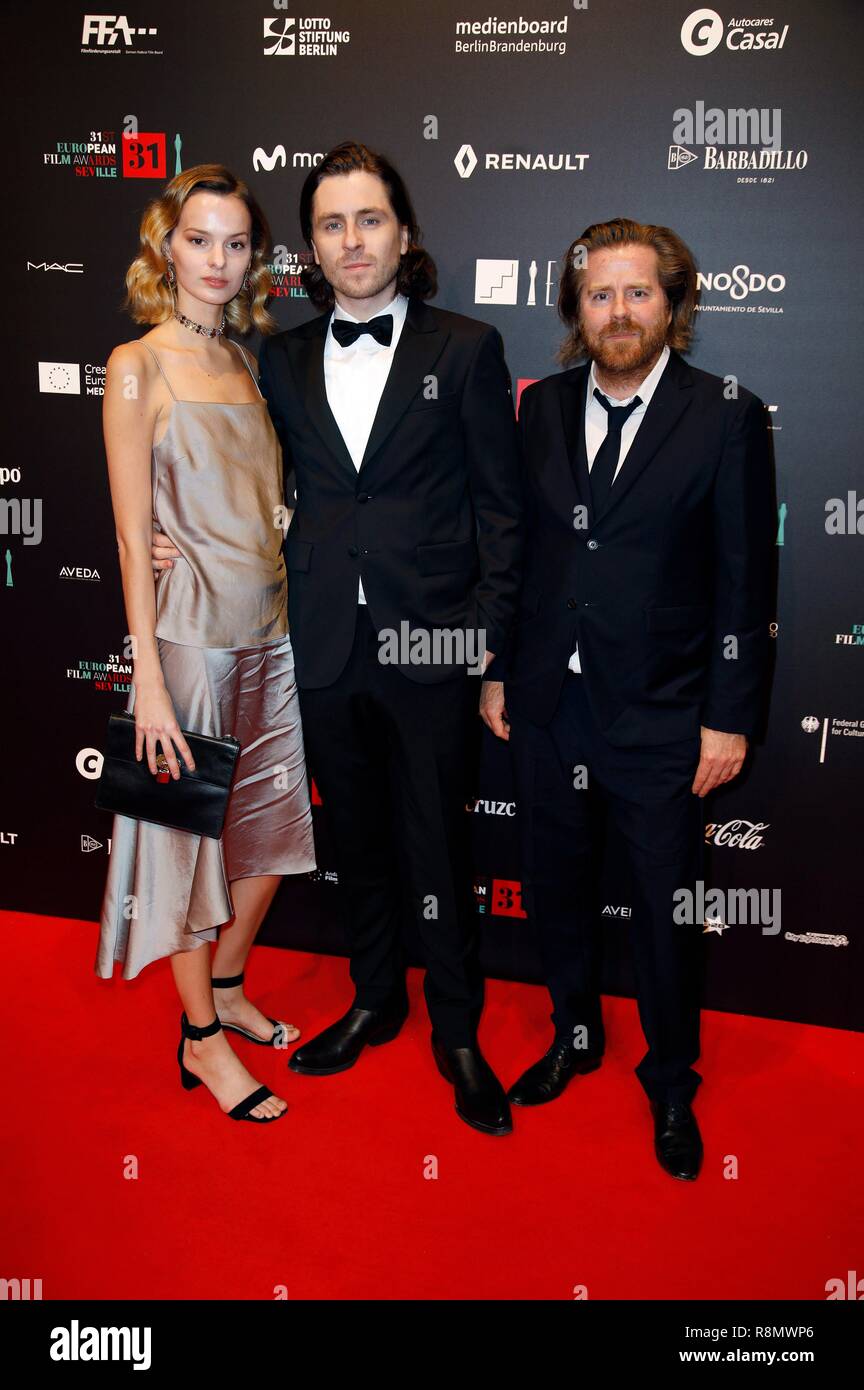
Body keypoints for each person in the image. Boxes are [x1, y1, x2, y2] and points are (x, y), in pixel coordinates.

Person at [153, 141, 524, 1135]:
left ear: (404, 233)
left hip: (434, 643)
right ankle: (375, 998)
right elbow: (229, 469)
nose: (352, 240)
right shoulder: (275, 359)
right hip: (315, 638)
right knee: (355, 839)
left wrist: (487, 646)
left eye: (369, 219)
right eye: (331, 223)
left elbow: (504, 509)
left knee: (438, 845)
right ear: (310, 251)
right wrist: (170, 529)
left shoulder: (467, 349)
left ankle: (456, 1028)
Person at [481, 218, 774, 1178]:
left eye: (637, 293)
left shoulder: (727, 415)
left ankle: (671, 1078)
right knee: (556, 888)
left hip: (661, 713)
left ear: (672, 304)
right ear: (577, 308)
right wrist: (496, 666)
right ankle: (572, 1034)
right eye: (600, 294)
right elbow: (520, 554)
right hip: (548, 703)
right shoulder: (543, 407)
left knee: (662, 910)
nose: (618, 312)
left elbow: (745, 578)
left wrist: (727, 716)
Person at [97, 164, 316, 1124]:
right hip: (187, 645)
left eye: (236, 244)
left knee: (268, 845)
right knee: (187, 852)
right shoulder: (135, 363)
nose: (218, 260)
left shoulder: (246, 363)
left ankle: (226, 987)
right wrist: (146, 678)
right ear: (166, 246)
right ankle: (198, 1040)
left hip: (270, 637)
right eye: (200, 239)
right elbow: (126, 532)